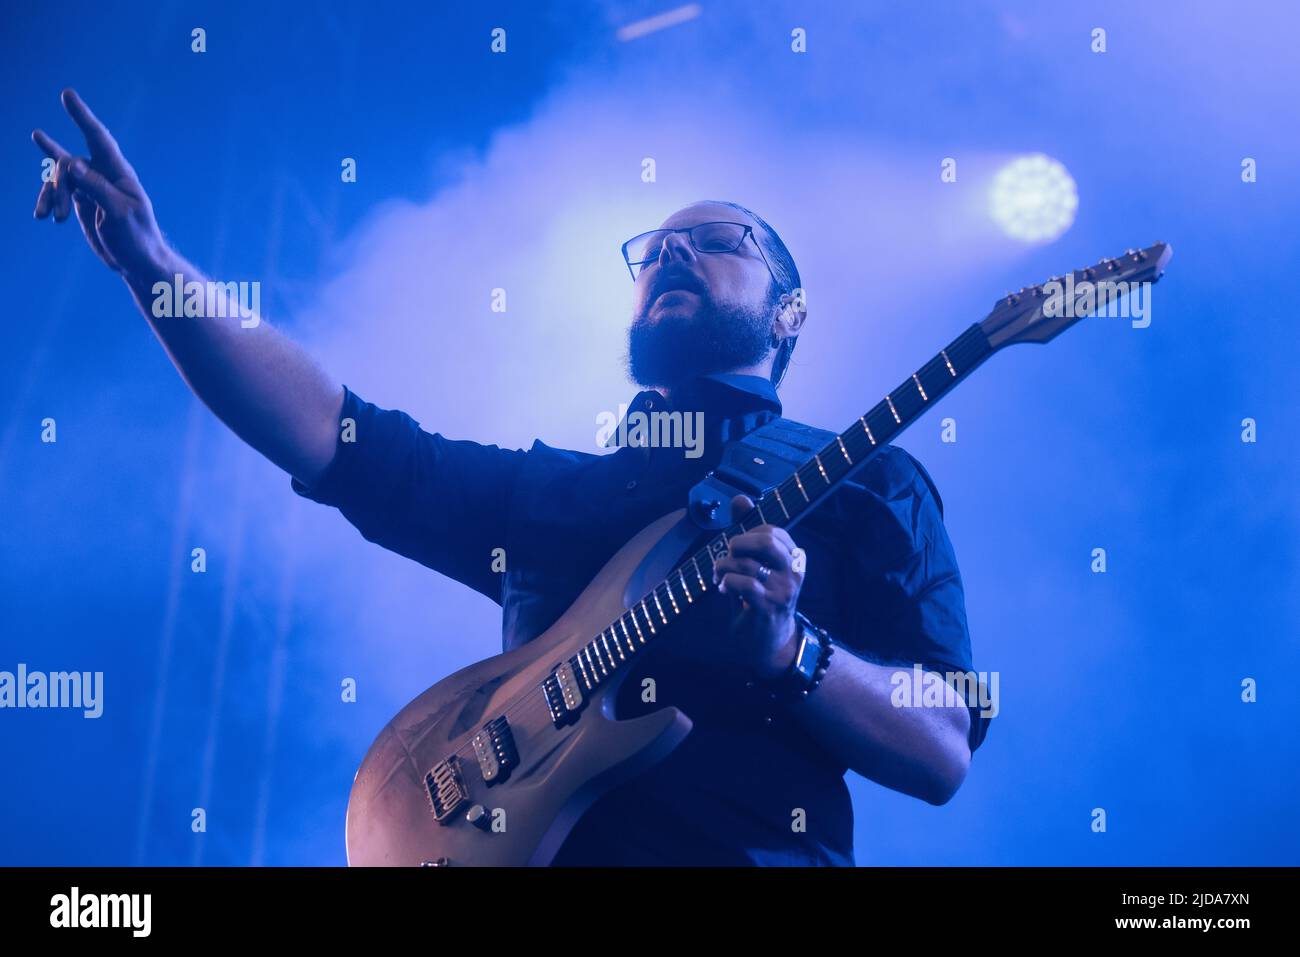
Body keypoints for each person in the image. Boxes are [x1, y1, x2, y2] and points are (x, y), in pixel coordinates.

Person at [33, 88, 990, 866]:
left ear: (790, 314)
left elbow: (942, 749)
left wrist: (793, 652)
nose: (671, 253)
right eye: (652, 249)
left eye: (716, 240)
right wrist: (150, 265)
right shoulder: (551, 494)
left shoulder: (869, 482)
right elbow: (331, 433)